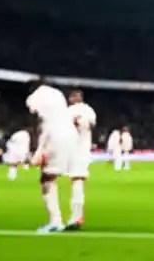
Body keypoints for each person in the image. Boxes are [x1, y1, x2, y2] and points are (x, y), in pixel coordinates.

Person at [26, 80, 79, 233]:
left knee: (47, 178)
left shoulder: (34, 97)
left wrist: (38, 150)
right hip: (71, 134)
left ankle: (55, 221)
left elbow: (41, 122)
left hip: (54, 135)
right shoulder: (58, 94)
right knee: (52, 176)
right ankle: (56, 220)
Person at [67, 89, 98, 230]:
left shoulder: (69, 111)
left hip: (75, 149)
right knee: (77, 181)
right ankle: (77, 215)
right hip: (83, 149)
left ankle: (76, 216)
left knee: (76, 180)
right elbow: (92, 124)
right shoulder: (89, 110)